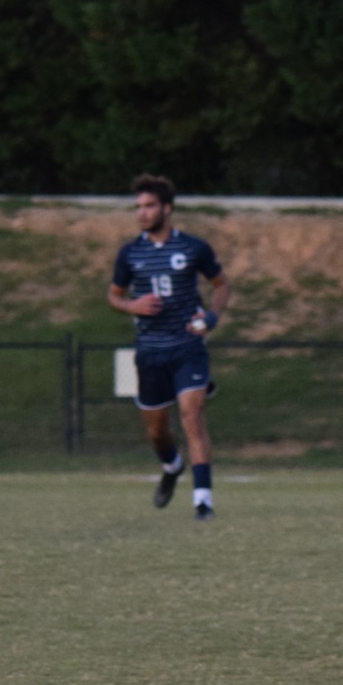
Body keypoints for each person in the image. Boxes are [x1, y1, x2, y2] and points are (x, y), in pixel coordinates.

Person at [107, 174, 232, 519]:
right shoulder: (131, 253)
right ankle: (173, 466)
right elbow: (114, 295)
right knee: (157, 430)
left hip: (187, 346)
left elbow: (221, 286)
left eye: (149, 206)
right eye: (138, 207)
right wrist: (133, 306)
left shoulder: (193, 248)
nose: (142, 213)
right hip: (150, 352)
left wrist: (211, 317)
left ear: (167, 208)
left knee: (192, 415)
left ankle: (203, 501)